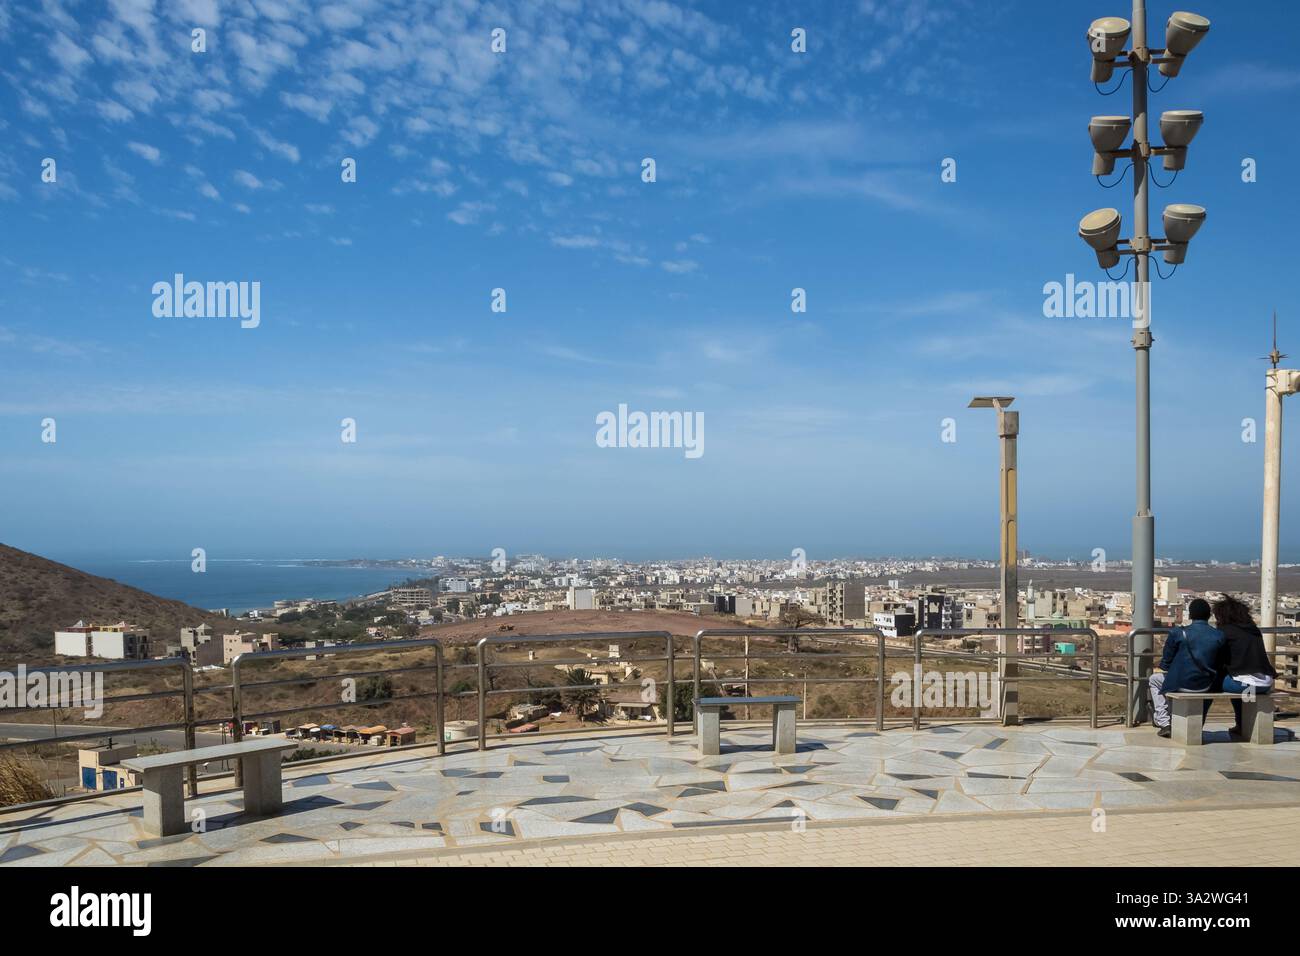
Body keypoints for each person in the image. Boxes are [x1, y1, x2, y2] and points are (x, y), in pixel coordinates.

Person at [1149, 598, 1225, 738]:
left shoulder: (1178, 633)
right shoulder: (1219, 635)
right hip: (1207, 684)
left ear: (1189, 615)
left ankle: (1164, 722)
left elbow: (1165, 664)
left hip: (1181, 683)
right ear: (1209, 615)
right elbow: (1221, 662)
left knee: (1154, 680)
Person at [1211, 594, 1276, 737]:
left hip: (1246, 685)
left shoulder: (1225, 632)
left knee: (1211, 684)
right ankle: (1242, 724)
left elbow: (1217, 659)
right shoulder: (1253, 630)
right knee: (1242, 686)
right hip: (1265, 683)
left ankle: (1241, 724)